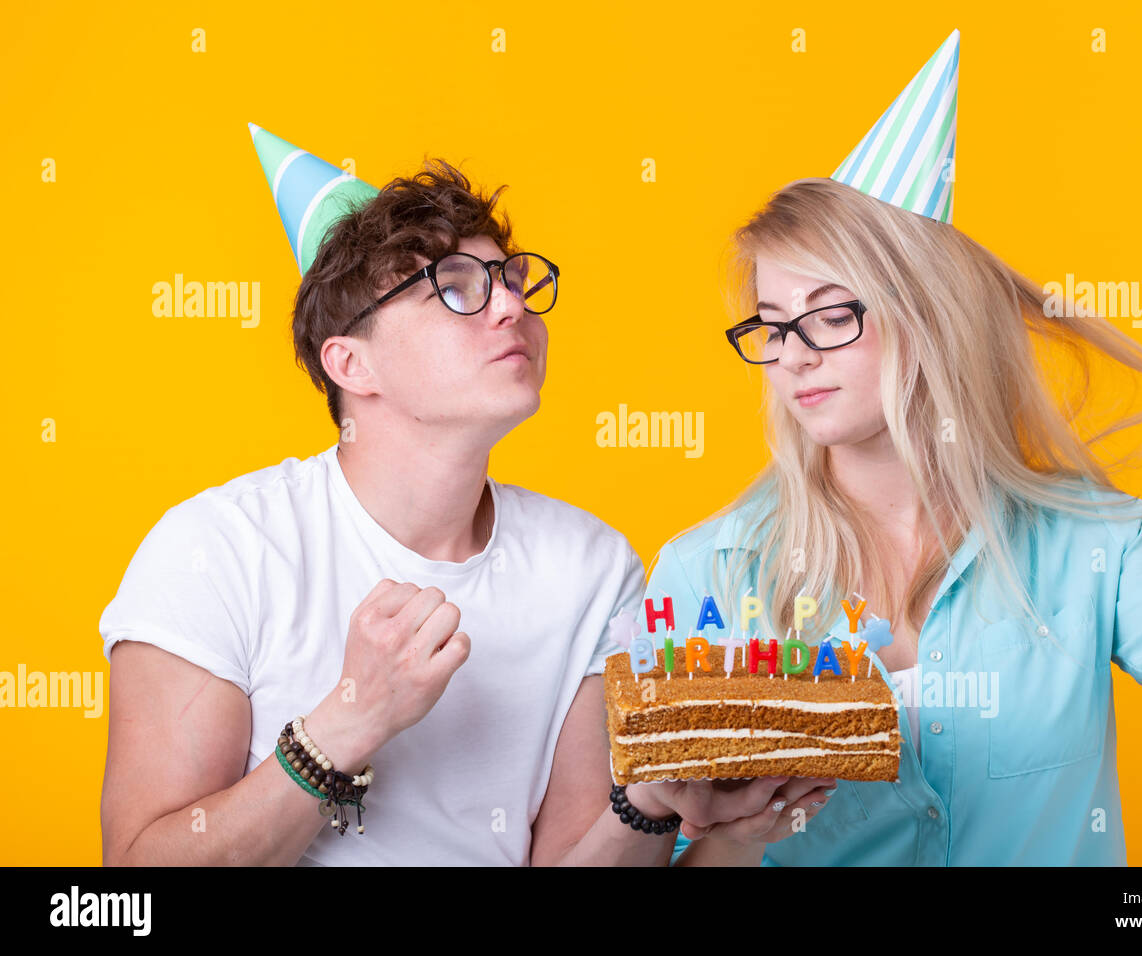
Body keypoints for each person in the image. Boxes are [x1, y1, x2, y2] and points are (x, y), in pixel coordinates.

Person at [637, 32, 1142, 865]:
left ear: (928, 314)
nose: (794, 354)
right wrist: (733, 829)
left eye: (832, 315)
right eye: (770, 327)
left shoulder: (1090, 541)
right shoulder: (710, 573)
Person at [98, 126, 812, 866]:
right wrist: (346, 723)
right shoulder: (216, 548)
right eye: (455, 287)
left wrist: (651, 803)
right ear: (352, 363)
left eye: (510, 280)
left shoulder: (591, 567)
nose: (511, 307)